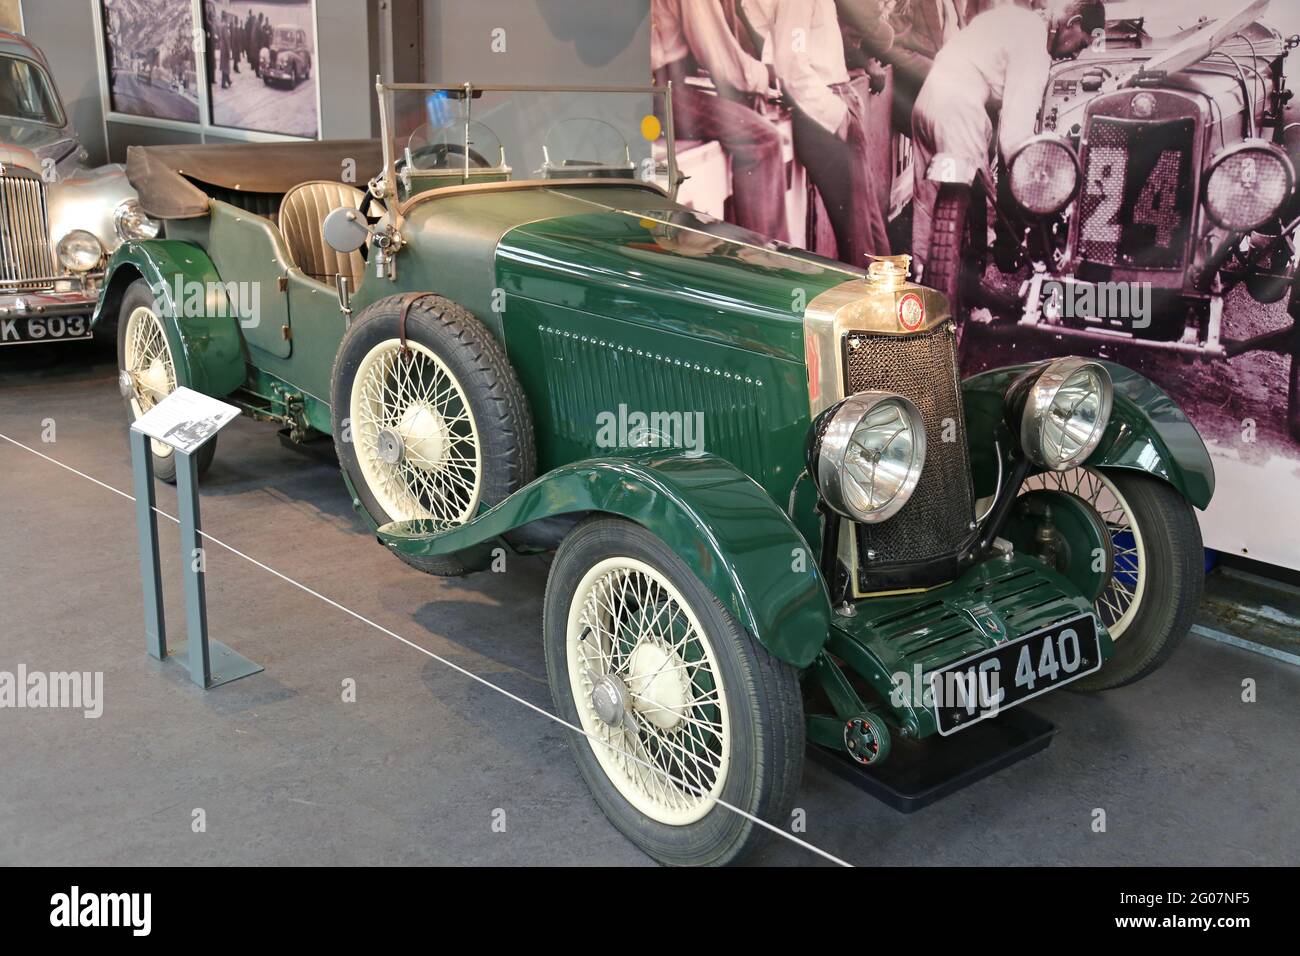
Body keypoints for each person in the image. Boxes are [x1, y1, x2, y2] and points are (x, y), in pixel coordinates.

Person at [910, 0, 1103, 276]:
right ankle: (969, 299)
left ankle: (922, 280)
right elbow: (1014, 140)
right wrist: (1045, 183)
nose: (1075, 56)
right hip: (958, 110)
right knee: (966, 211)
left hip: (928, 100)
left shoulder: (1015, 19)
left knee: (927, 206)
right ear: (1072, 24)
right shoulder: (1035, 49)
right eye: (1081, 45)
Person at [743, 0, 891, 264]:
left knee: (869, 227)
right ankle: (871, 302)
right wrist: (837, 115)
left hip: (835, 104)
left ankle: (886, 299)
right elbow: (791, 66)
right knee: (860, 238)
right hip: (823, 113)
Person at [652, 0, 788, 241]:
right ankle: (765, 257)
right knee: (763, 139)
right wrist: (765, 76)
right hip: (661, 93)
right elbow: (716, 51)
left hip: (648, 89)